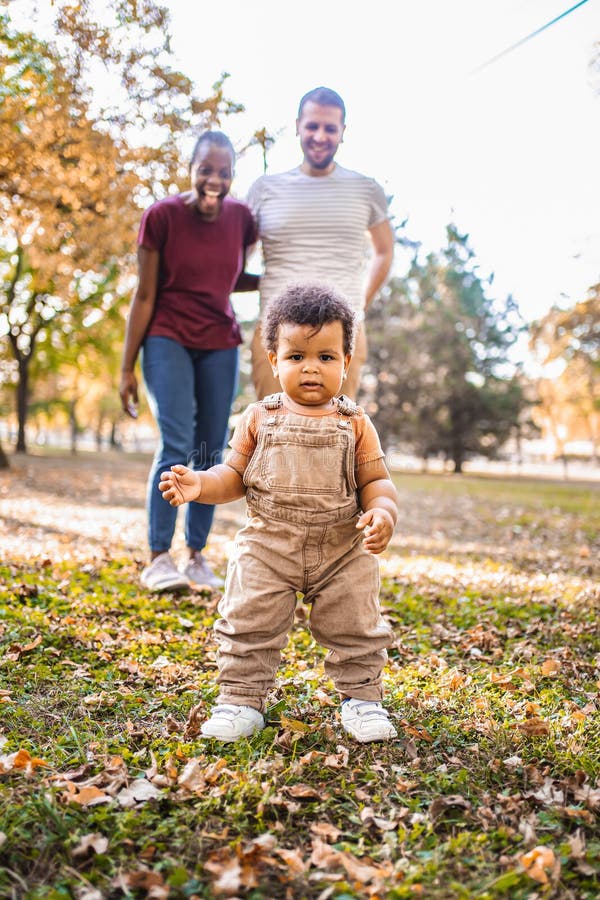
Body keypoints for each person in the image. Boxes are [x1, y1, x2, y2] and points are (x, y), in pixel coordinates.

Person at [159, 283, 399, 743]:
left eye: (326, 357)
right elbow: (232, 477)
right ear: (274, 360)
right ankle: (240, 700)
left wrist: (383, 513)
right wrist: (199, 485)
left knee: (356, 626)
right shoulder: (258, 417)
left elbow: (376, 482)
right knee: (248, 621)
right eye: (296, 357)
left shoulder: (355, 423)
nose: (311, 367)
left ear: (346, 362)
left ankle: (363, 700)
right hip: (268, 547)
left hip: (342, 551)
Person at [119, 131, 259, 593]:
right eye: (206, 170)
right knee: (177, 443)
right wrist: (125, 368)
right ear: (191, 168)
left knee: (211, 450)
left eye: (224, 172)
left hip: (220, 341)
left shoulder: (242, 219)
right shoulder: (160, 217)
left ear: (233, 175)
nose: (214, 180)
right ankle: (159, 557)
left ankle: (196, 555)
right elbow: (144, 293)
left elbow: (229, 275)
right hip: (167, 336)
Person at [247, 86, 394, 402]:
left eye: (330, 128)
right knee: (272, 438)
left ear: (342, 132)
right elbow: (237, 256)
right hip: (277, 333)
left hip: (341, 333)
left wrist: (360, 303)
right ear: (298, 125)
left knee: (337, 439)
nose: (319, 136)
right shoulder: (264, 190)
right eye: (312, 126)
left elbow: (384, 251)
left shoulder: (366, 190)